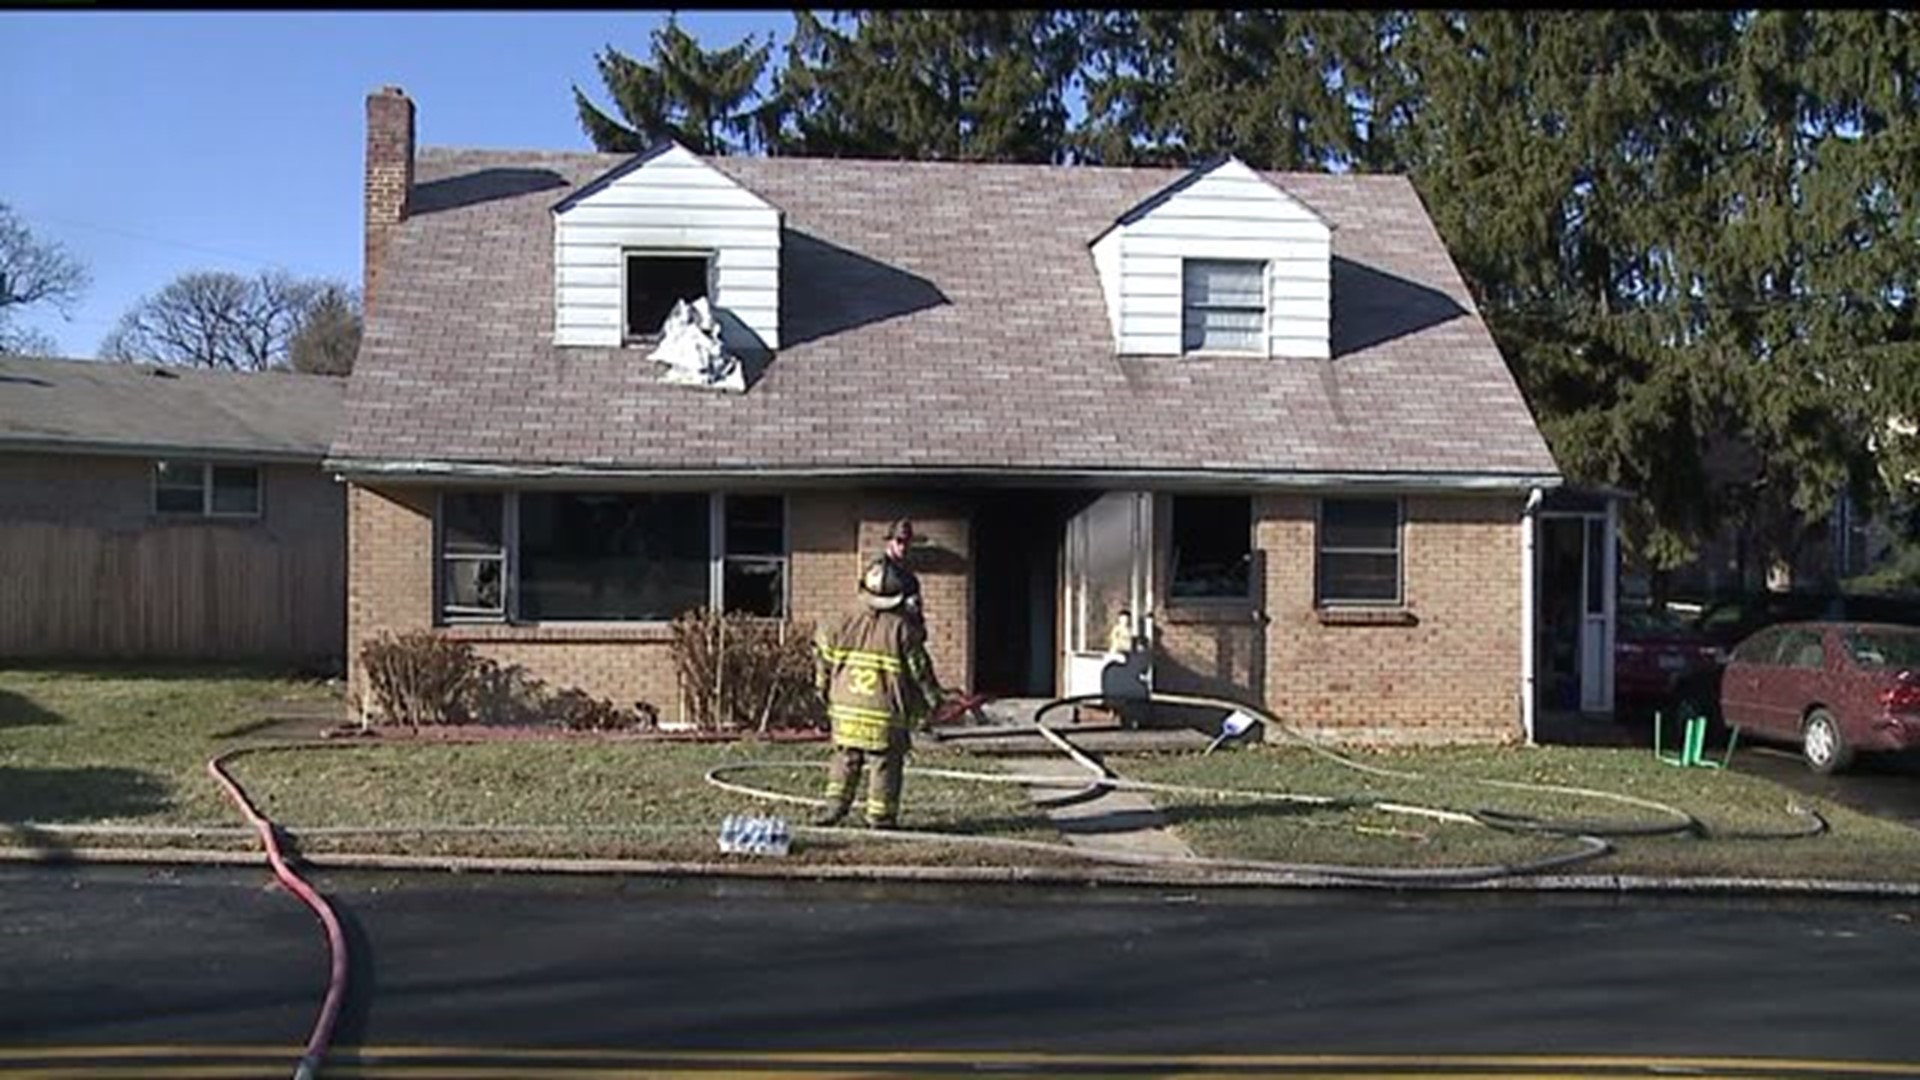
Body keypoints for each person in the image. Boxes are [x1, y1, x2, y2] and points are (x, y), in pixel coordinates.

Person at [813, 557, 947, 829]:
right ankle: (880, 817)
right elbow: (919, 671)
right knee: (884, 764)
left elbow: (822, 664)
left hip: (845, 711)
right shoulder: (902, 629)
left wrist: (822, 692)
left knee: (845, 758)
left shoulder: (837, 622)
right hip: (885, 715)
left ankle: (833, 808)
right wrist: (934, 701)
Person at [880, 518, 925, 623]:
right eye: (899, 541)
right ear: (890, 541)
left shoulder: (909, 577)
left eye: (907, 541)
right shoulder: (878, 573)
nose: (903, 547)